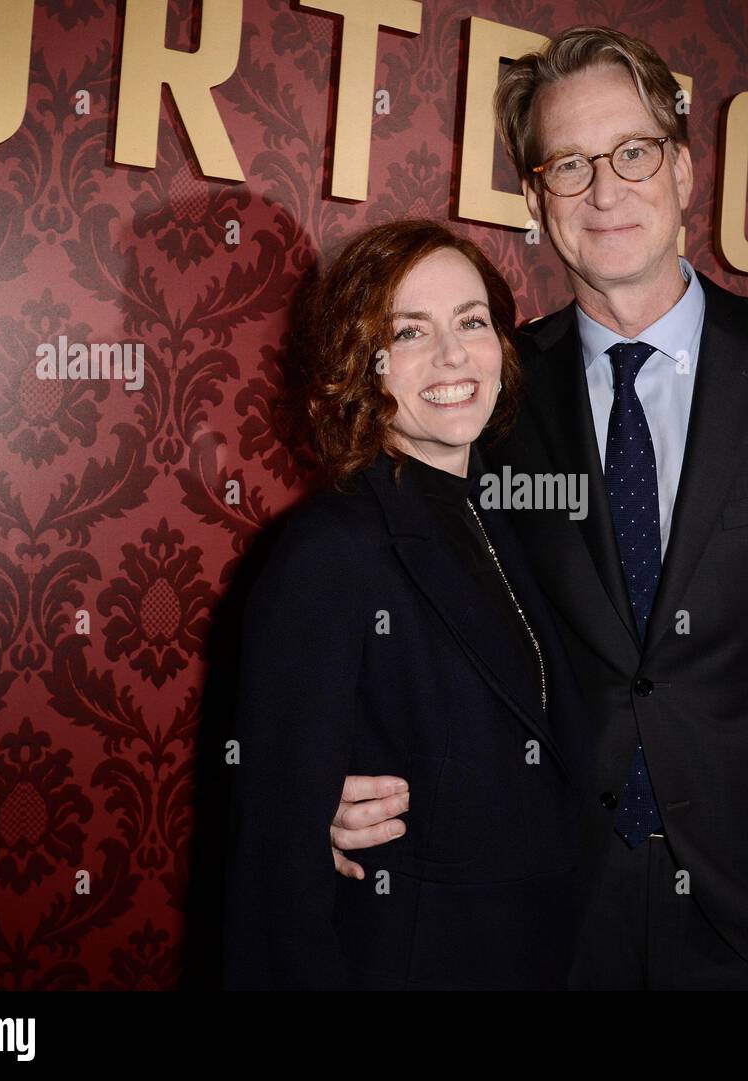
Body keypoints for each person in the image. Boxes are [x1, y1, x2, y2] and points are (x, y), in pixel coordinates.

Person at [331, 25, 748, 991]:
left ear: (685, 171)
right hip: (556, 906)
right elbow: (423, 618)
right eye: (568, 166)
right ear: (533, 201)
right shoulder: (492, 391)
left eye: (633, 153)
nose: (605, 190)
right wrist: (336, 769)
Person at [221, 219, 590, 990]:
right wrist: (309, 813)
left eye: (472, 322)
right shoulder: (328, 552)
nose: (453, 355)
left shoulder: (512, 517)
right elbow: (274, 878)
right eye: (411, 331)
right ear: (365, 363)